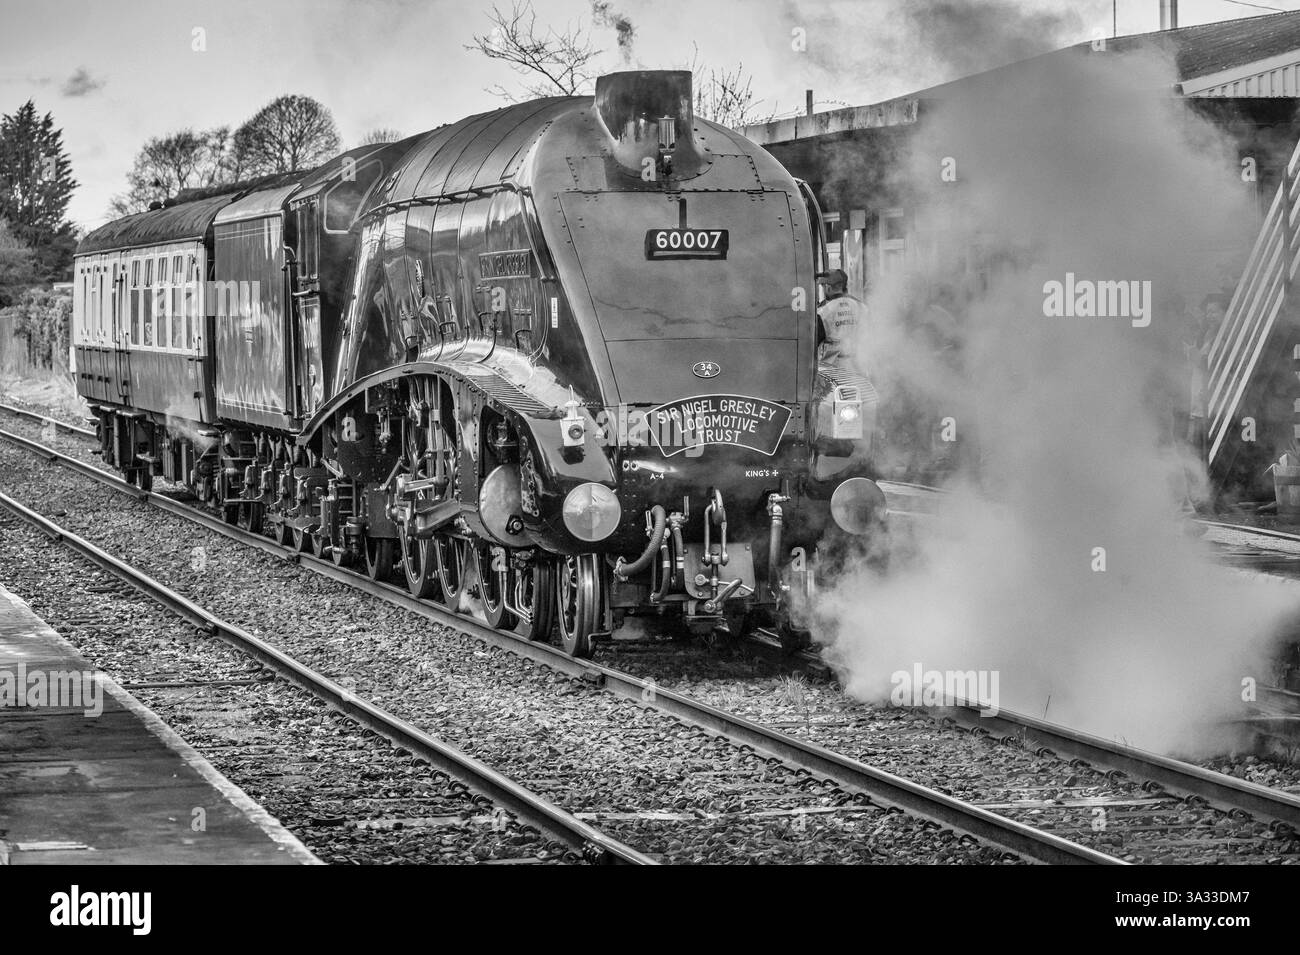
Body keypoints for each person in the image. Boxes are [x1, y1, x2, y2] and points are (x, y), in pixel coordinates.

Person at [815, 269, 868, 370]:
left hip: (833, 373)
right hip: (860, 370)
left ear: (828, 287)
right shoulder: (861, 307)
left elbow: (813, 344)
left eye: (823, 286)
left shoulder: (823, 312)